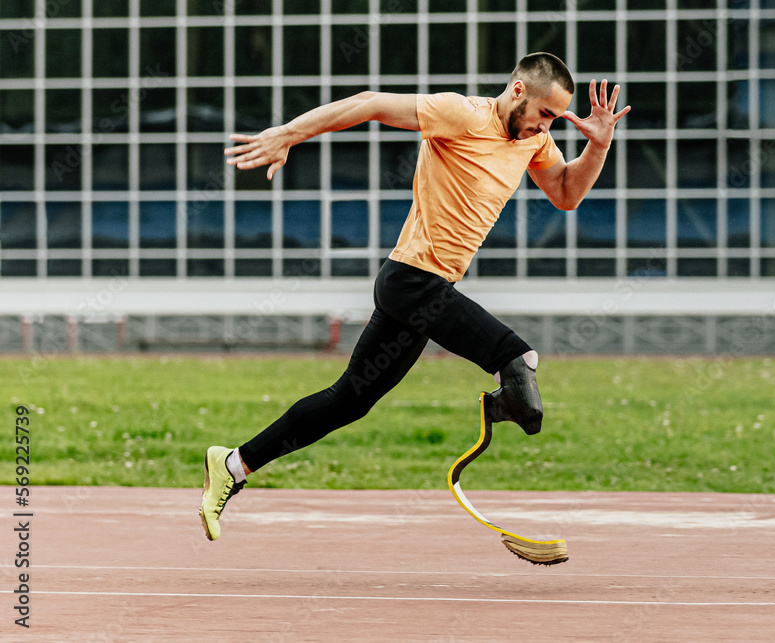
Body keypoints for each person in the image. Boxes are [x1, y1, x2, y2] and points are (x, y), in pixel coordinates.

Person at [199, 52, 629, 541]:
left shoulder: (534, 142)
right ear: (517, 91)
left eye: (554, 119)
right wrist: (288, 134)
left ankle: (233, 464)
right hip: (412, 281)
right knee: (517, 361)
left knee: (350, 400)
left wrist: (598, 147)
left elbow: (566, 193)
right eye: (544, 113)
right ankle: (500, 402)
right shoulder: (462, 114)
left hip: (425, 289)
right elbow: (369, 103)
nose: (546, 126)